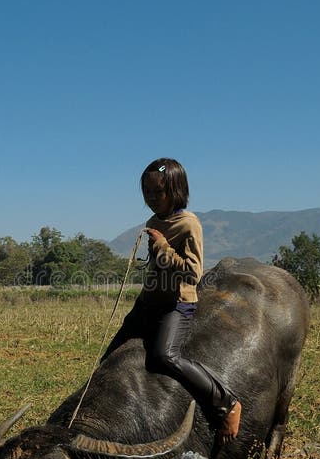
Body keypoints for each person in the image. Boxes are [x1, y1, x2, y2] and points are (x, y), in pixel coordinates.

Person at [102, 157, 241, 442]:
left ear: (176, 191)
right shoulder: (153, 222)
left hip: (176, 304)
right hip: (148, 302)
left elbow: (193, 272)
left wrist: (163, 248)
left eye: (158, 192)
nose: (151, 198)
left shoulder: (189, 224)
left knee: (166, 356)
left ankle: (227, 403)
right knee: (109, 358)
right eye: (147, 192)